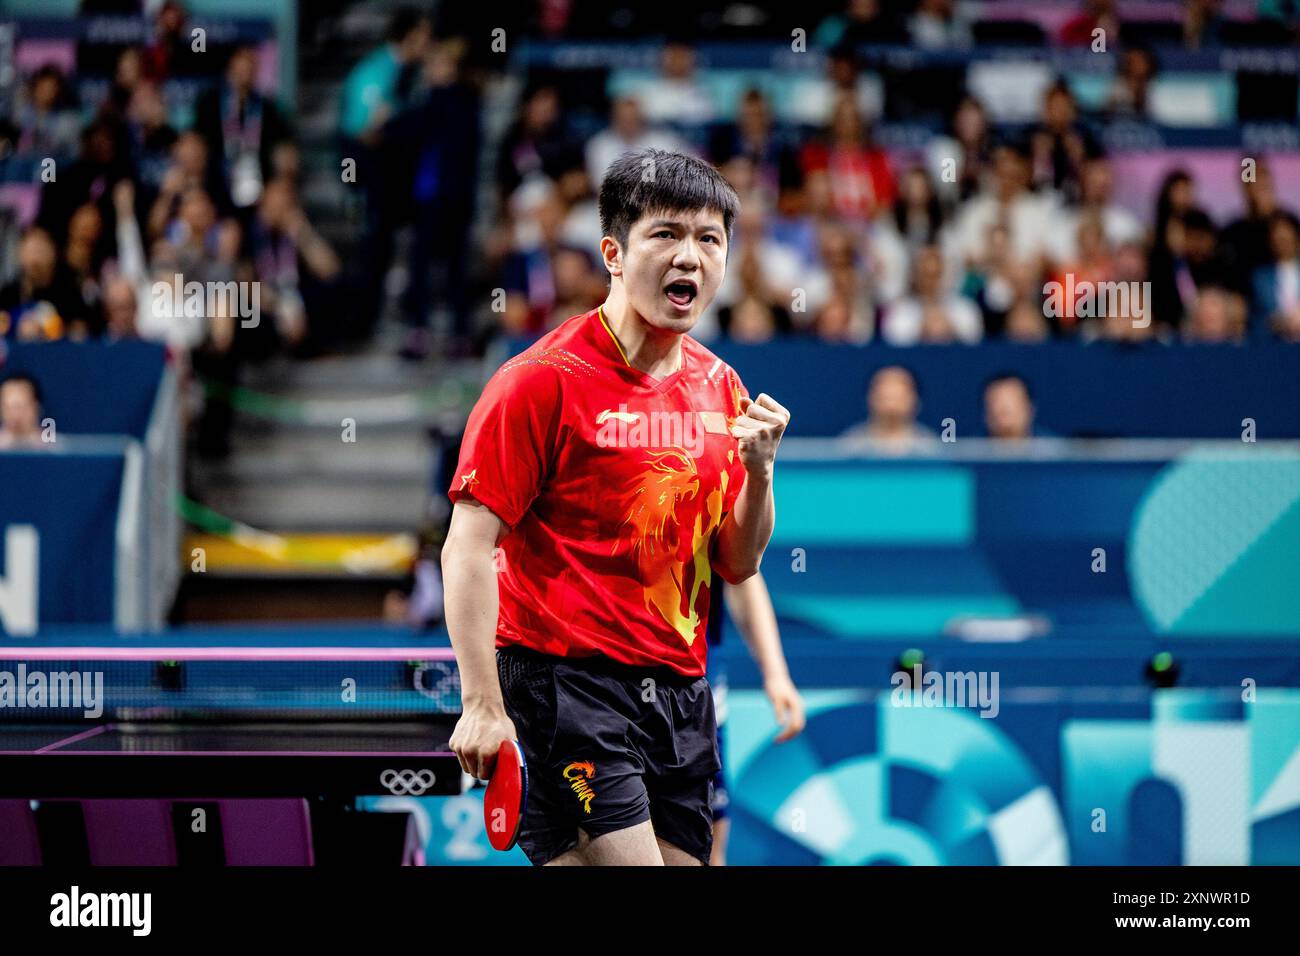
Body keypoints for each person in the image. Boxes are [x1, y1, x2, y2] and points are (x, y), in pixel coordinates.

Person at [442, 149, 790, 866]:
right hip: (568, 683)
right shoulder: (540, 382)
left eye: (709, 239)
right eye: (665, 235)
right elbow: (468, 545)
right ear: (614, 252)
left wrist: (760, 474)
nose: (689, 256)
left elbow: (737, 561)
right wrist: (482, 702)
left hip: (680, 694)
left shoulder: (721, 389)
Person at [705, 571, 805, 866]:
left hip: (700, 703)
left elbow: (743, 573)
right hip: (608, 698)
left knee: (708, 848)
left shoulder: (716, 523)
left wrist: (775, 673)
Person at [841, 366, 938, 453]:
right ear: (870, 398)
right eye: (884, 396)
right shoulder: (850, 446)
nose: (891, 400)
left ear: (916, 401)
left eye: (899, 397)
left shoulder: (931, 447)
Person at [0, 374, 45, 449]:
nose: (15, 415)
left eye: (21, 407)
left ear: (36, 407)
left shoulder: (56, 450)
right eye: (8, 408)